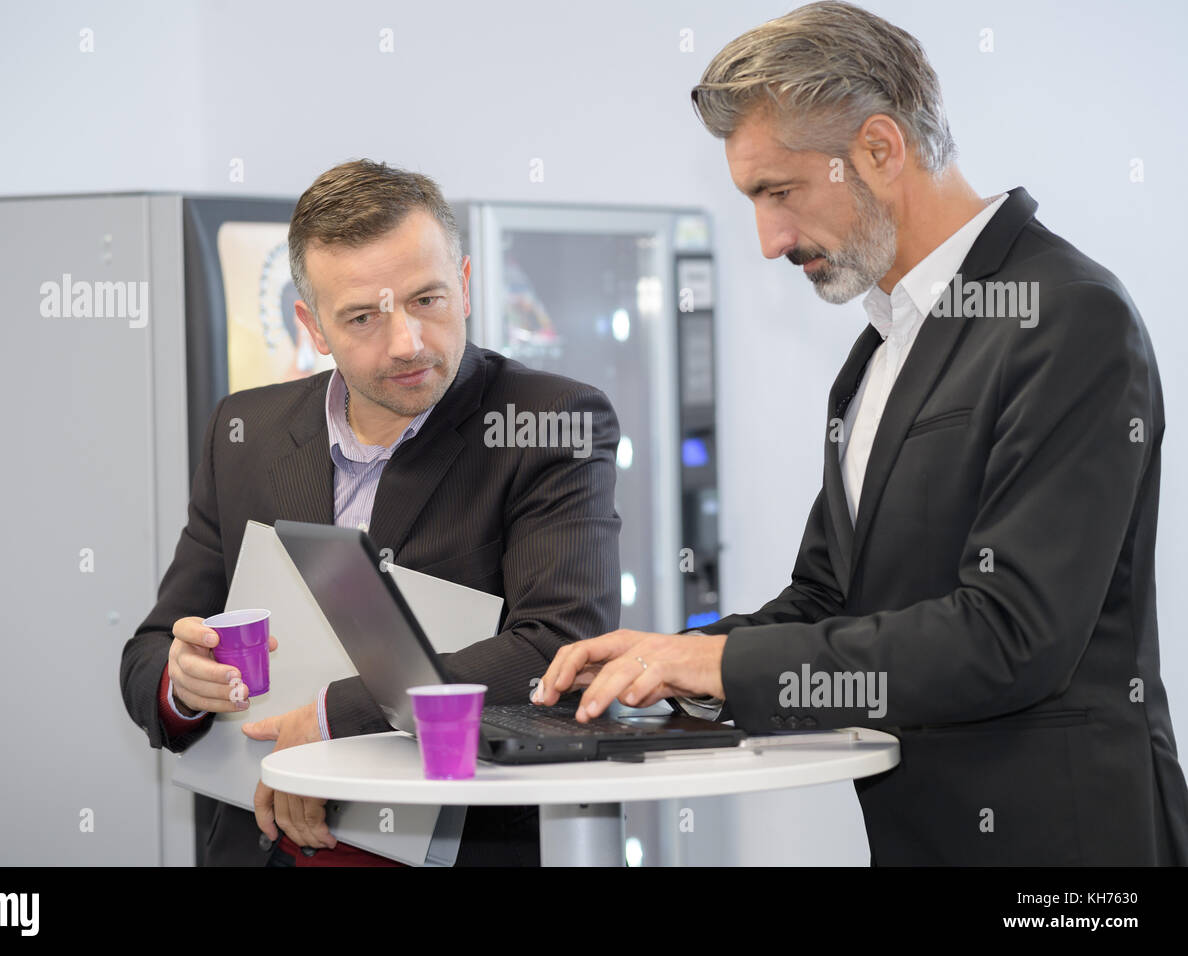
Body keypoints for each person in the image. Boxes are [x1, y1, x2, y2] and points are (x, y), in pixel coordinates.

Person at [536, 0, 1188, 865]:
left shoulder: (1068, 317)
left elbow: (1012, 635)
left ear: (879, 150)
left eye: (780, 192)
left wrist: (723, 671)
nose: (768, 239)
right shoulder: (879, 350)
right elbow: (829, 600)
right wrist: (675, 657)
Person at [120, 159, 621, 866]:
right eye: (362, 317)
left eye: (428, 300)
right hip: (264, 849)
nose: (407, 343)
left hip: (453, 846)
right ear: (313, 325)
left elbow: (558, 652)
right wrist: (185, 683)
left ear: (468, 285)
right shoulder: (245, 433)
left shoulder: (549, 421)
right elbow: (148, 657)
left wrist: (329, 724)